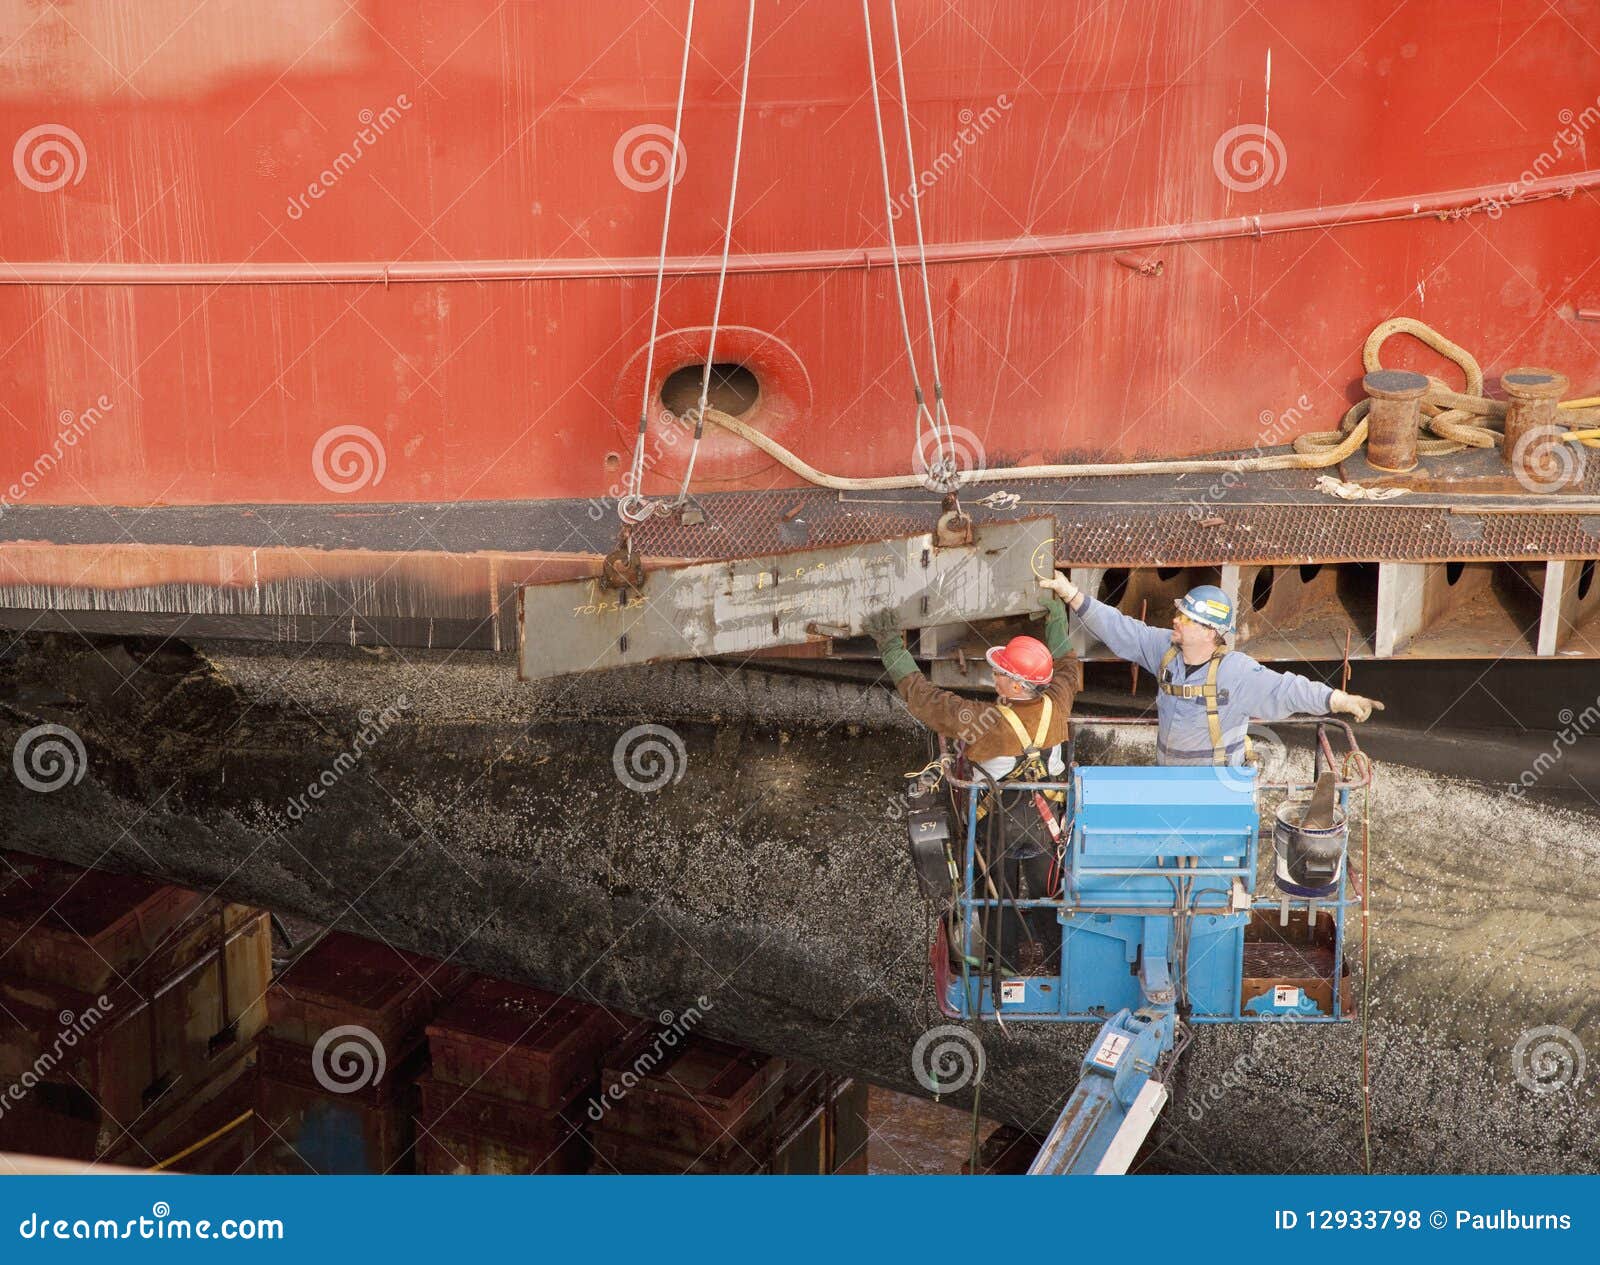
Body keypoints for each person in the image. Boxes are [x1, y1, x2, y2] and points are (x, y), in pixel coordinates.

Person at [866, 590, 1081, 974]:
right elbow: (1067, 665)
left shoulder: (986, 721)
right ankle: (1061, 961)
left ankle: (1006, 964)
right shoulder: (1059, 701)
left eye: (1000, 672)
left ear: (1015, 686)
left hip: (997, 827)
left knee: (997, 899)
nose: (993, 674)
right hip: (1050, 828)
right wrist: (1056, 619)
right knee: (1050, 894)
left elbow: (927, 701)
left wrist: (891, 650)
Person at [1037, 574, 1382, 766]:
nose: (1175, 619)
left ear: (1209, 631)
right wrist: (1072, 594)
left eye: (1185, 618)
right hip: (1169, 780)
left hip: (1217, 788)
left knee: (1208, 873)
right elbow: (1120, 629)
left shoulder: (1236, 673)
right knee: (1171, 868)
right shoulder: (1165, 651)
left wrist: (1339, 699)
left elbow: (1286, 690)